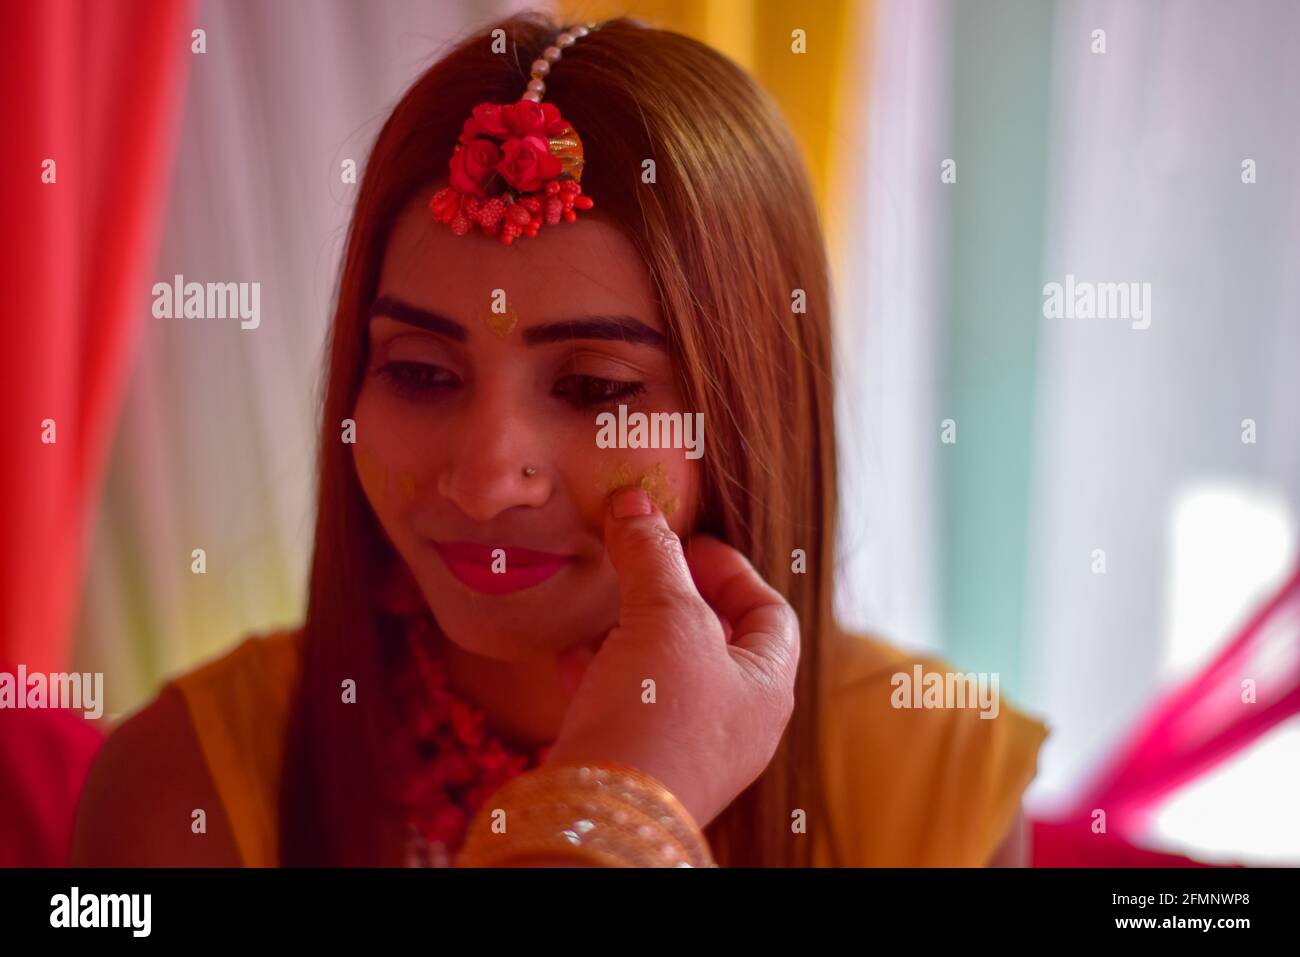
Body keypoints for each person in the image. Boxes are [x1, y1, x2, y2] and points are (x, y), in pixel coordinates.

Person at [73, 12, 1047, 868]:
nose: (489, 480)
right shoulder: (186, 782)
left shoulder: (938, 778)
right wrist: (622, 803)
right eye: (419, 371)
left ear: (751, 413)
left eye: (594, 388)